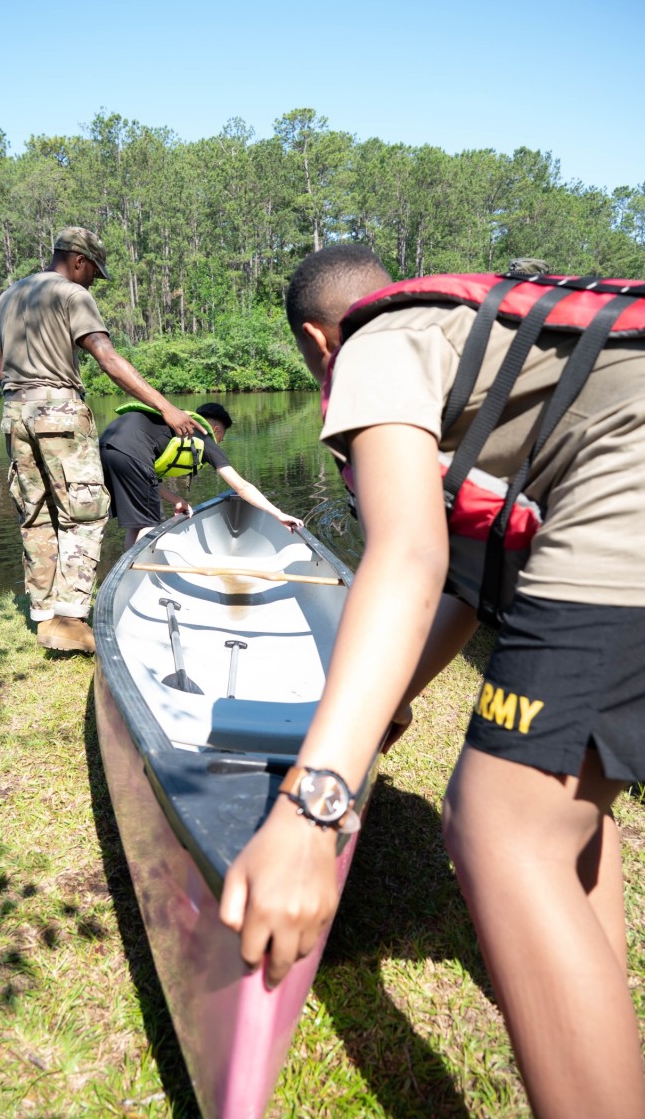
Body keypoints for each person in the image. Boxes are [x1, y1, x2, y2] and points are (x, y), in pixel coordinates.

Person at [220, 246, 645, 1119]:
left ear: (317, 341)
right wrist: (389, 700)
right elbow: (459, 586)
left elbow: (408, 558)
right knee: (564, 784)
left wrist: (310, 810)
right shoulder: (480, 337)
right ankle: (584, 1026)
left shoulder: (370, 345)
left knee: (501, 824)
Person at [0, 226, 204, 654]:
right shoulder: (72, 294)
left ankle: (45, 615)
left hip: (14, 413)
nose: (93, 280)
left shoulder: (9, 296)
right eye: (94, 271)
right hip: (59, 411)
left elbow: (3, 366)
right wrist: (166, 407)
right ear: (79, 260)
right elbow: (107, 357)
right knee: (86, 512)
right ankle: (71, 619)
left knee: (36, 514)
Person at [98, 400, 302, 549]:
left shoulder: (171, 425)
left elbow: (147, 480)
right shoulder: (202, 436)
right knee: (148, 525)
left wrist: (176, 500)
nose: (219, 442)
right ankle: (144, 574)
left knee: (137, 524)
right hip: (133, 452)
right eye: (221, 437)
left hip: (106, 446)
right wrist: (278, 514)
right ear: (215, 429)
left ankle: (130, 572)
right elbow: (241, 486)